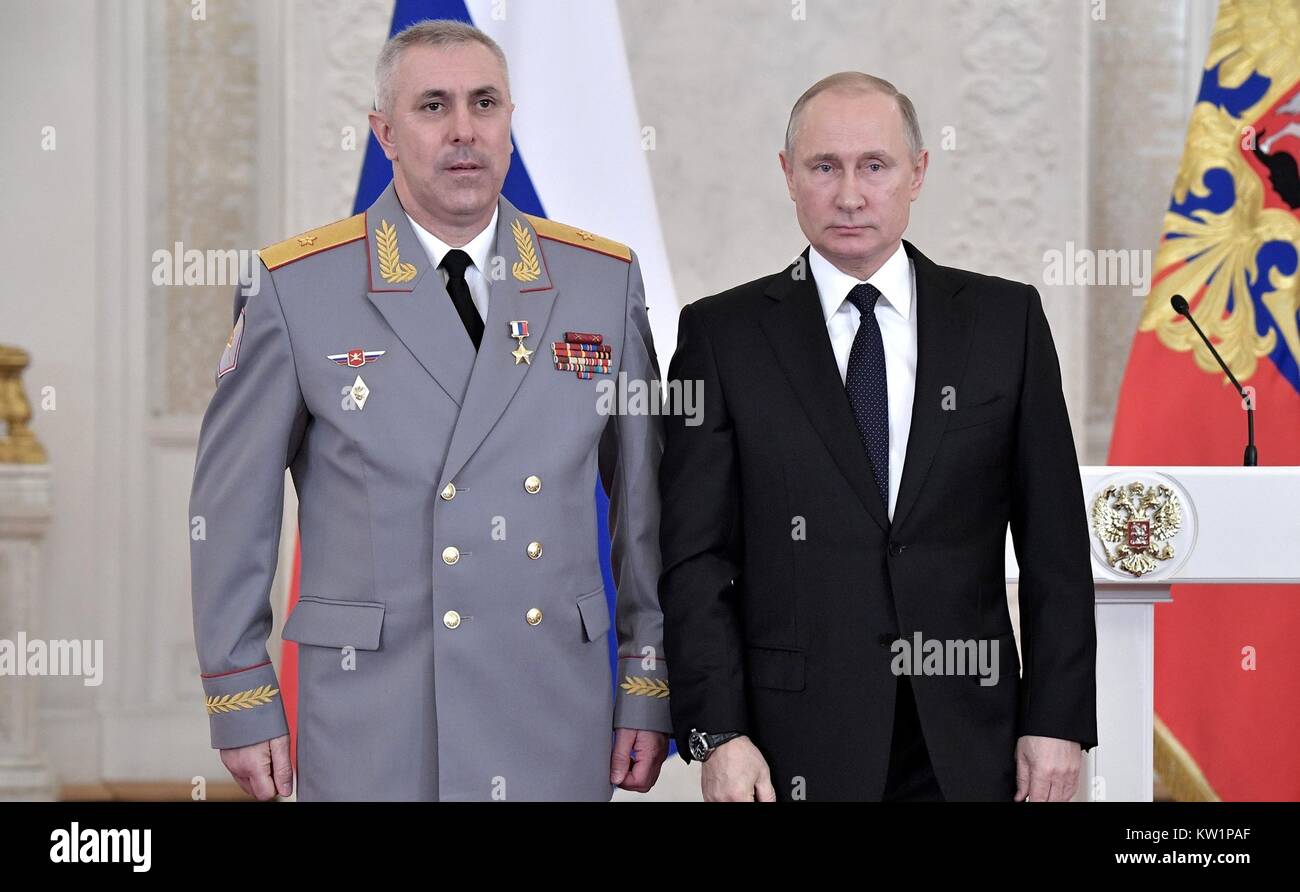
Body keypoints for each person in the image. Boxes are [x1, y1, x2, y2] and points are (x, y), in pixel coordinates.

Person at [190, 19, 669, 801]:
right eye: (432, 107)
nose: (463, 132)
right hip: (376, 705)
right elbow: (229, 512)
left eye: (485, 104)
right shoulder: (297, 288)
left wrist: (647, 677)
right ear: (384, 131)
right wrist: (242, 697)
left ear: (512, 121)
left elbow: (644, 511)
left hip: (551, 695)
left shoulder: (601, 281)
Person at [658, 72, 1097, 801]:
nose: (850, 194)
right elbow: (696, 557)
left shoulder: (1004, 323)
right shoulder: (722, 336)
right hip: (790, 743)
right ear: (787, 176)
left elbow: (1056, 546)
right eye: (824, 167)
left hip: (970, 737)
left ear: (917, 173)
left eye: (875, 166)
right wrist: (719, 733)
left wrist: (1058, 720)